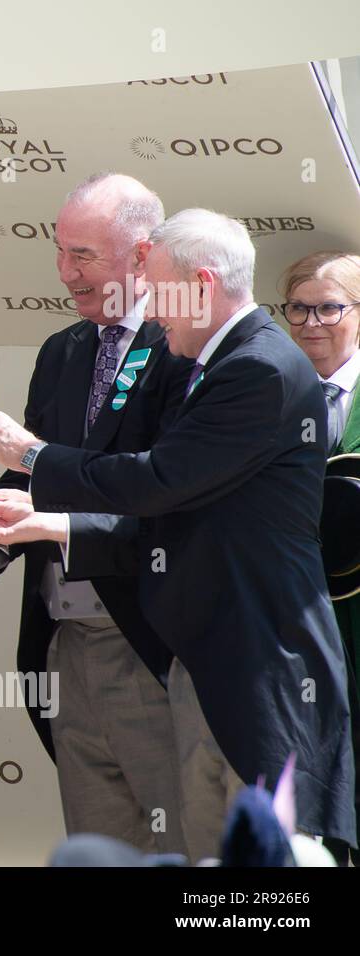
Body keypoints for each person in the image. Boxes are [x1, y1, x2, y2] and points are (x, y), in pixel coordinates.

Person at [0, 208, 357, 857]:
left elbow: (156, 483)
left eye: (158, 292)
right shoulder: (219, 363)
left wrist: (31, 455)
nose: (149, 314)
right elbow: (173, 522)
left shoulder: (256, 367)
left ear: (201, 286)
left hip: (260, 677)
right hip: (206, 668)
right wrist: (46, 523)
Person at [0, 173, 190, 854]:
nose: (66, 273)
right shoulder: (63, 351)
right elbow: (34, 475)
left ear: (142, 255)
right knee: (96, 848)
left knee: (177, 847)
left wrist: (33, 460)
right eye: (60, 253)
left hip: (151, 646)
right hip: (63, 650)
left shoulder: (185, 349)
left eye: (84, 256)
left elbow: (163, 499)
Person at [282, 250, 360, 866]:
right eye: (298, 308)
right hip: (301, 632)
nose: (311, 322)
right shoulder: (272, 397)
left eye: (329, 308)